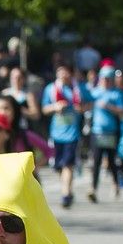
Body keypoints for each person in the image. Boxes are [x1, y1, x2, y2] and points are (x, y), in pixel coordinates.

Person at [41, 63, 87, 209]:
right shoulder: (51, 89)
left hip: (72, 134)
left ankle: (66, 194)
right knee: (59, 166)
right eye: (60, 72)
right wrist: (55, 107)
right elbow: (44, 109)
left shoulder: (78, 88)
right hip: (56, 133)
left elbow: (90, 104)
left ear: (71, 74)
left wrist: (80, 108)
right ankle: (67, 189)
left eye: (66, 72)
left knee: (68, 164)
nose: (63, 75)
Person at [87, 65, 123, 203]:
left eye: (108, 78)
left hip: (111, 133)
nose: (106, 81)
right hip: (97, 132)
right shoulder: (95, 92)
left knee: (111, 161)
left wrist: (109, 106)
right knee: (96, 161)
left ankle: (116, 183)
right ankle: (93, 188)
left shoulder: (116, 94)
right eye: (103, 78)